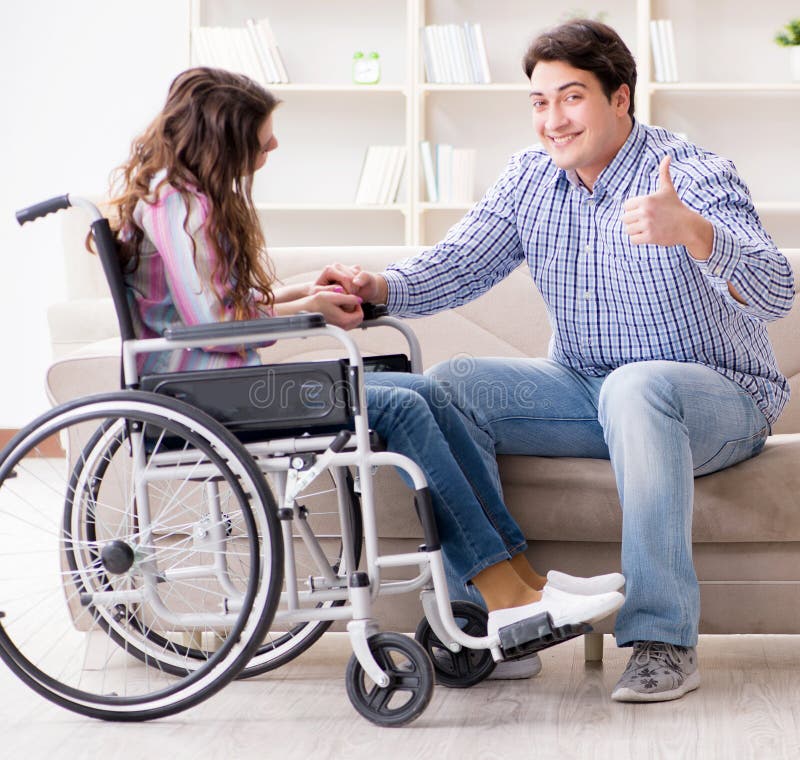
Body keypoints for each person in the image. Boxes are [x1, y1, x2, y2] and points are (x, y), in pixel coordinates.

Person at [319, 19, 795, 702]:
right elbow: (460, 263)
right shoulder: (531, 176)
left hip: (718, 398)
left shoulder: (691, 172)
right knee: (452, 387)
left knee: (637, 388)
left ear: (621, 99)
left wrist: (693, 232)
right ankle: (492, 624)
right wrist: (380, 289)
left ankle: (663, 639)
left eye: (571, 98)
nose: (552, 119)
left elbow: (777, 292)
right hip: (586, 388)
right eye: (539, 102)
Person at [106, 66, 625, 674]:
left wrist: (305, 293)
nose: (273, 148)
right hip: (206, 396)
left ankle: (519, 581)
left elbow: (218, 306)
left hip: (220, 384)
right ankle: (503, 592)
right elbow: (213, 321)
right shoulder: (178, 203)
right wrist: (311, 310)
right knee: (404, 404)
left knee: (429, 393)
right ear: (226, 135)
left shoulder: (183, 196)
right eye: (263, 138)